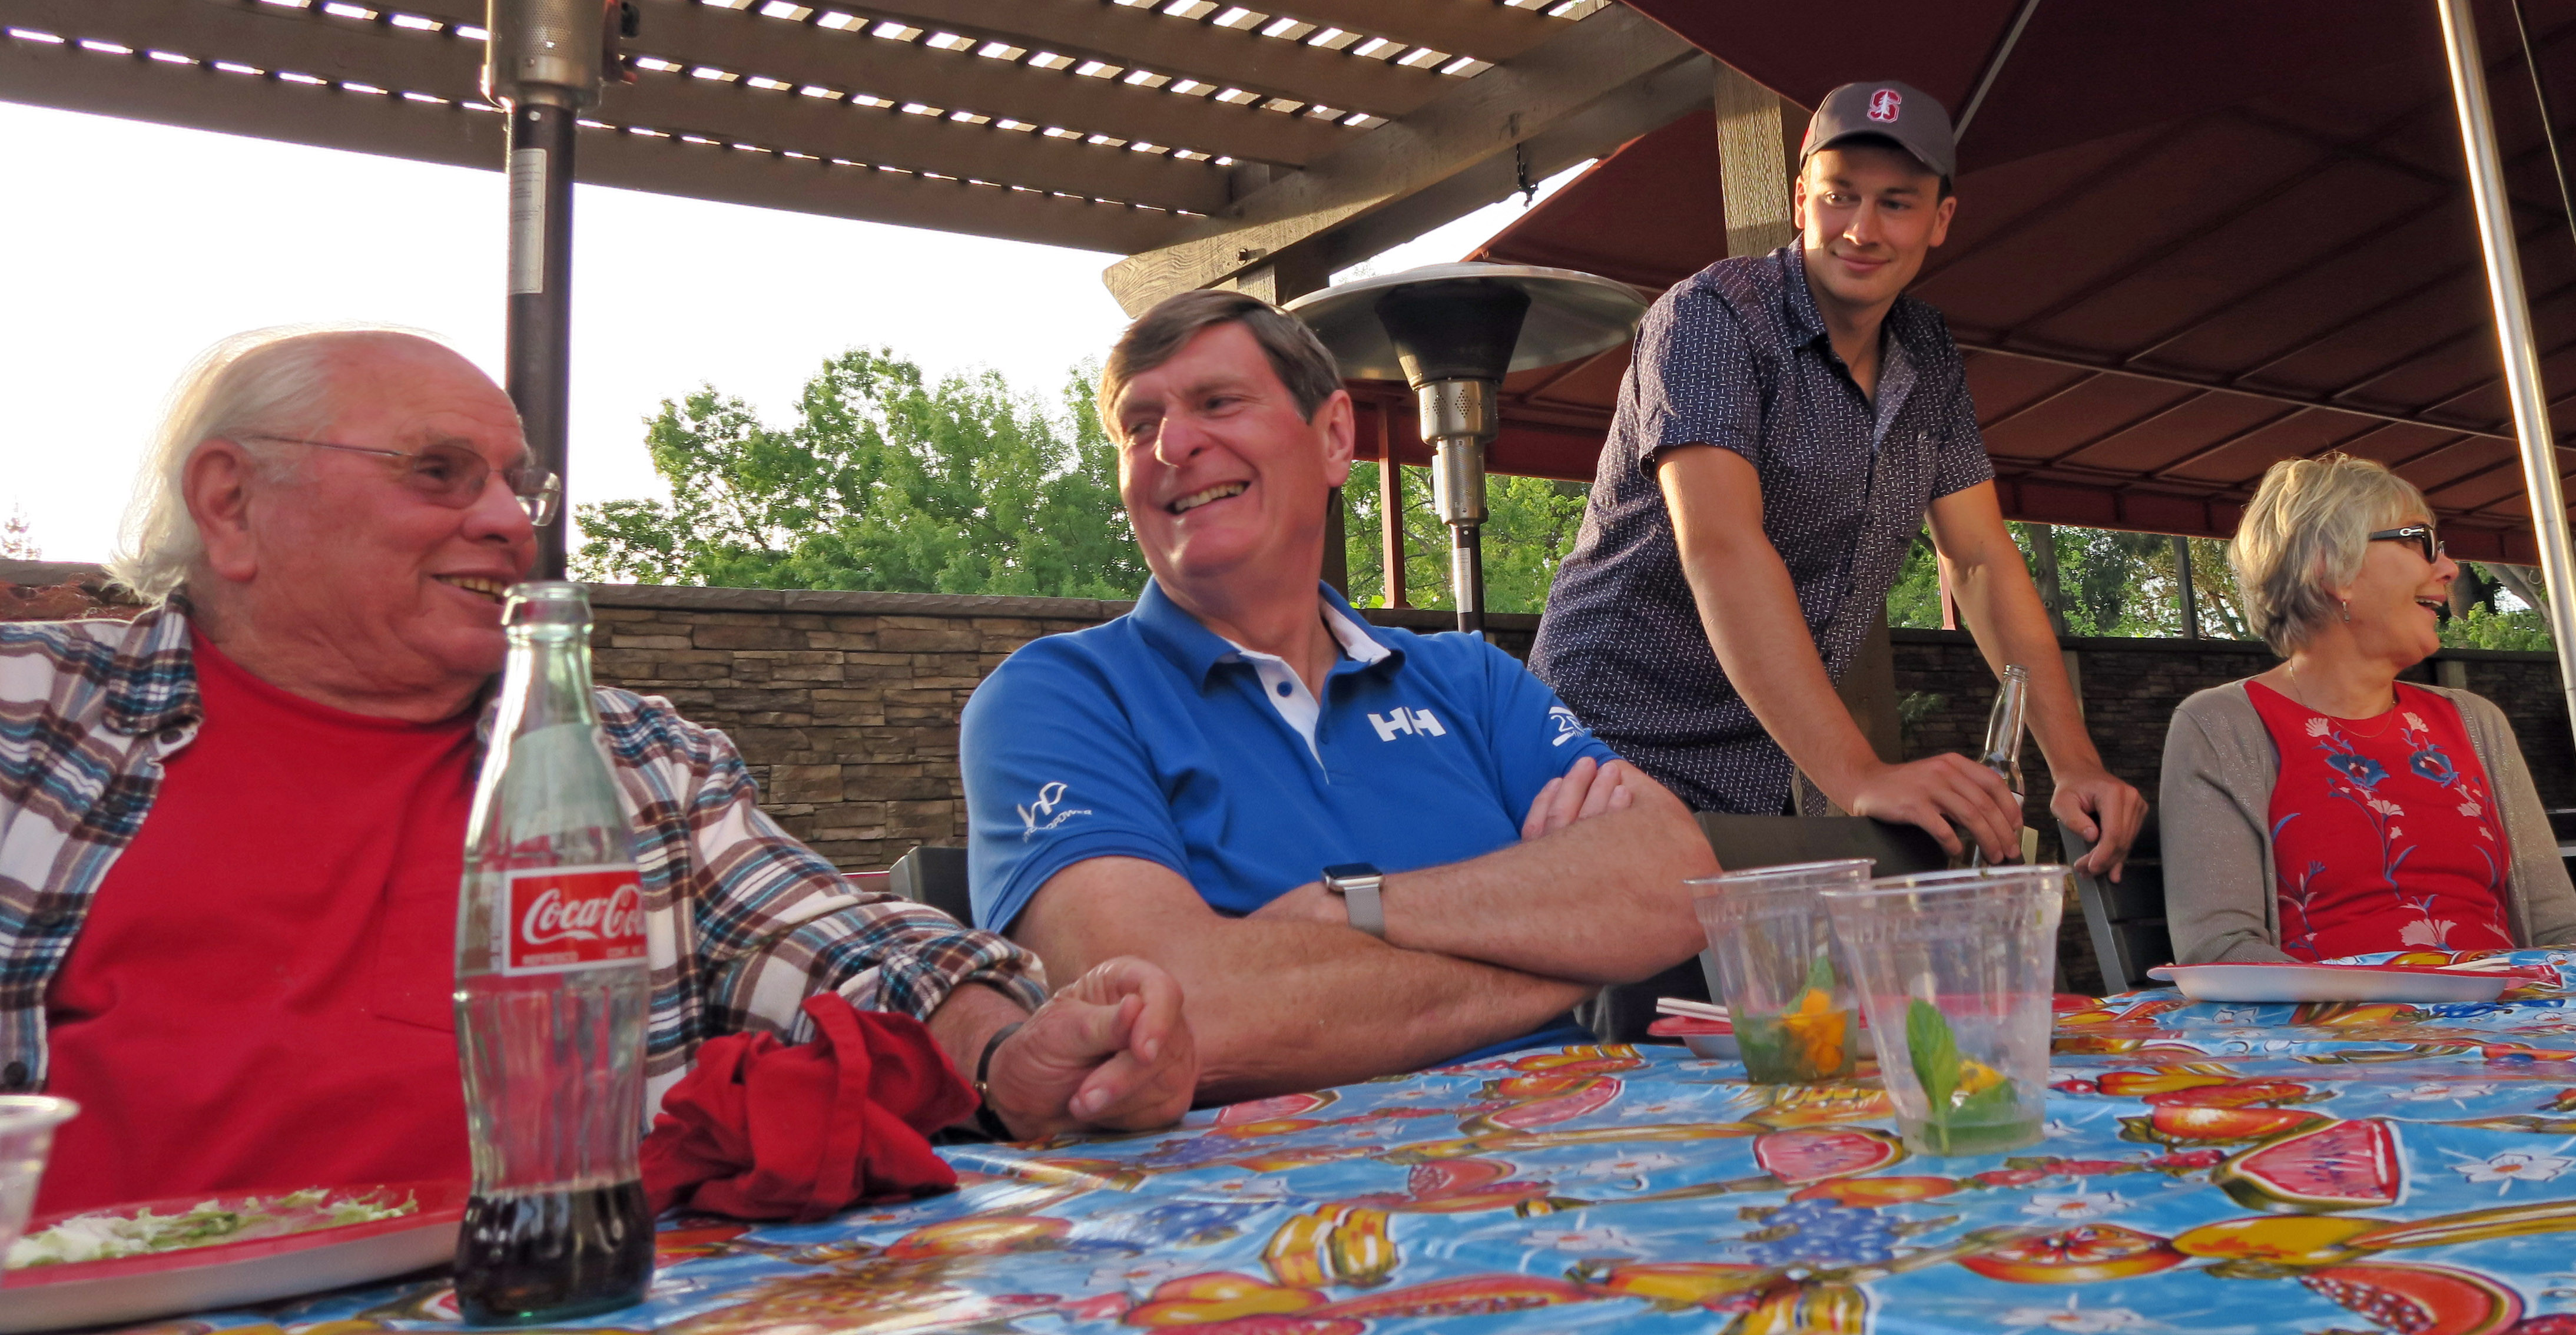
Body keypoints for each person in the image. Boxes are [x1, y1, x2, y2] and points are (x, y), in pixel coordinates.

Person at [6, 325, 1196, 1218]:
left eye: (514, 482)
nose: (509, 520)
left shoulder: (632, 755)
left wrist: (1007, 1049)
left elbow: (844, 942)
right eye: (439, 471)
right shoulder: (35, 715)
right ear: (230, 501)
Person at [960, 290, 1715, 1102]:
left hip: (1581, 1158)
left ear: (1333, 438)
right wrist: (1571, 952)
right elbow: (1174, 1014)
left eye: (1217, 403)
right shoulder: (1056, 700)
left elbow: (1678, 885)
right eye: (1139, 427)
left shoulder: (1472, 679)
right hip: (1265, 1205)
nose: (1172, 444)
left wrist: (1345, 911)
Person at [1529, 79, 2144, 876]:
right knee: (1642, 997)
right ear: (1799, 200)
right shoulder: (1712, 318)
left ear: (1940, 220)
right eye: (1839, 196)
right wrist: (1860, 776)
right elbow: (1720, 544)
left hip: (1774, 766)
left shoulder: (1928, 357)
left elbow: (1981, 560)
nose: (1861, 229)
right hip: (1608, 752)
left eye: (1895, 203)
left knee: (1790, 1002)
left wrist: (2075, 764)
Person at [2157, 455, 2576, 963]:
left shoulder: (2477, 723)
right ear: (2334, 569)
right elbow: (2221, 951)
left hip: (2507, 1033)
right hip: (2331, 1036)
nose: (2450, 568)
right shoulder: (2222, 726)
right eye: (2421, 542)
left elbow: (2562, 931)